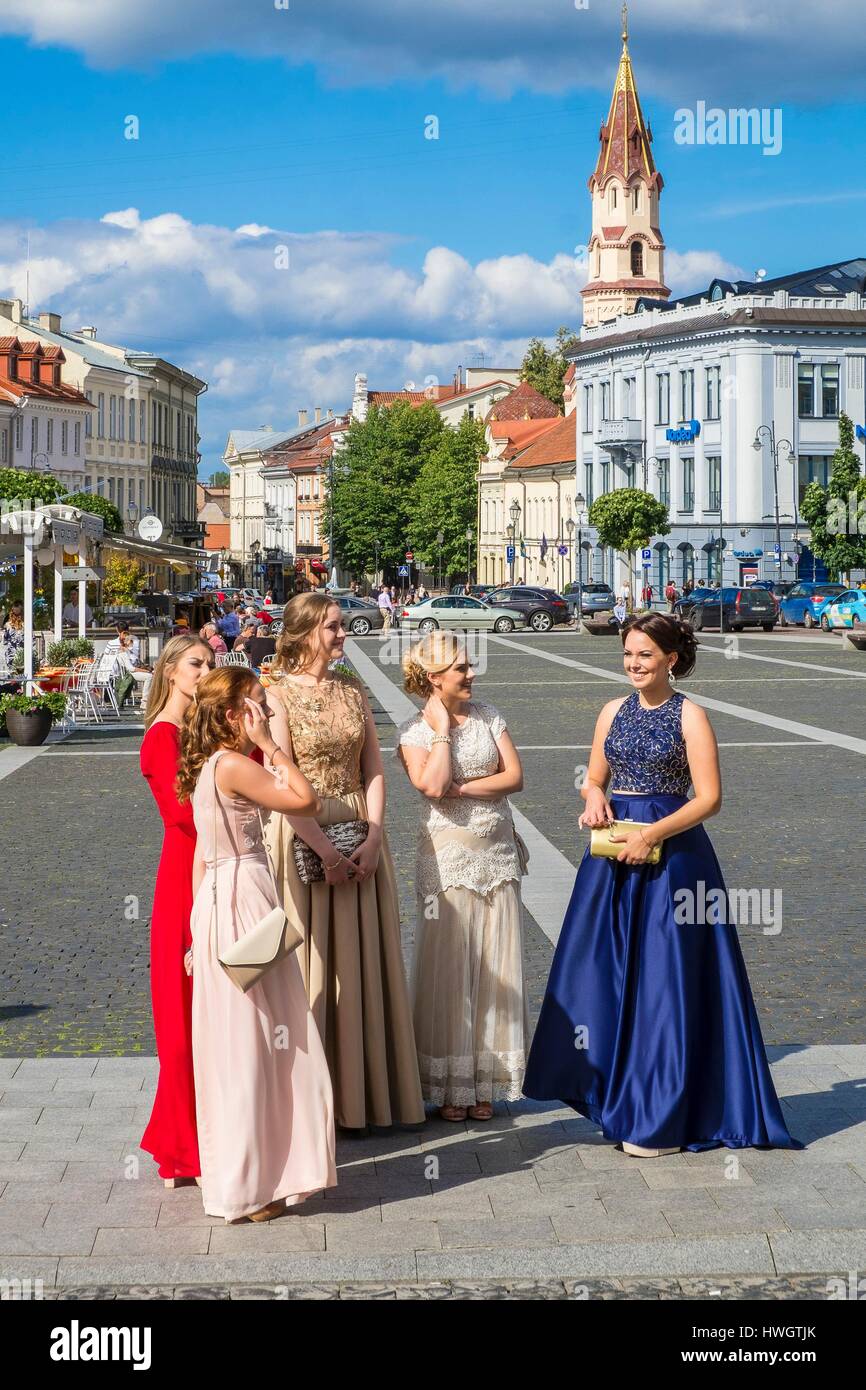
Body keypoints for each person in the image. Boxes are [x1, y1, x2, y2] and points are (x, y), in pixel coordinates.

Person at [523, 612, 801, 1156]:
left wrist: (652, 834)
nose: (633, 664)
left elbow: (709, 798)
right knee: (603, 974)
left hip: (674, 859)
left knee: (666, 984)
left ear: (671, 659)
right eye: (628, 654)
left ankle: (663, 1115)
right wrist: (594, 798)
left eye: (645, 655)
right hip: (614, 860)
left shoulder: (690, 716)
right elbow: (596, 775)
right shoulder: (612, 710)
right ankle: (617, 1097)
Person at [178, 666, 336, 1222]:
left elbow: (200, 857)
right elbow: (307, 801)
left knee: (237, 1038)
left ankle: (250, 1176)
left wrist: (198, 929)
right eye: (258, 706)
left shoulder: (208, 767)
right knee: (257, 1037)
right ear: (232, 716)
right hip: (245, 898)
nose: (267, 714)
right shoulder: (236, 766)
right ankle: (254, 1182)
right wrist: (273, 747)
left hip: (225, 898)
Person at [263, 593, 425, 1132]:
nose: (341, 635)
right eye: (332, 627)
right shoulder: (275, 696)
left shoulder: (352, 691)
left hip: (359, 827)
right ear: (306, 631)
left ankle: (364, 1097)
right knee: (312, 965)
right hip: (303, 831)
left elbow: (374, 768)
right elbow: (280, 780)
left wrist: (375, 835)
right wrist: (323, 847)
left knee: (363, 962)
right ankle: (312, 1104)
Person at [397, 633, 530, 1122]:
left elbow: (514, 776)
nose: (471, 674)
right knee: (451, 968)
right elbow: (431, 786)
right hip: (447, 858)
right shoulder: (415, 732)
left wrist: (464, 788)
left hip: (495, 854)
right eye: (460, 668)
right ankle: (450, 1084)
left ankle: (485, 1081)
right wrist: (441, 733)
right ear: (434, 678)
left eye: (470, 666)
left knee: (495, 964)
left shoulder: (490, 715)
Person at [139, 633, 216, 1186]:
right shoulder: (161, 737)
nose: (204, 671)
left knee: (218, 1015)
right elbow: (182, 814)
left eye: (210, 663)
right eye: (195, 664)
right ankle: (180, 1145)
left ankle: (215, 1132)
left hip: (222, 868)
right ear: (170, 670)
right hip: (184, 879)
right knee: (182, 1015)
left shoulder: (203, 731)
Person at [2, 602, 25, 668]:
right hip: (13, 655)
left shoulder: (25, 625)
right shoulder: (8, 625)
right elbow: (5, 642)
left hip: (19, 655)